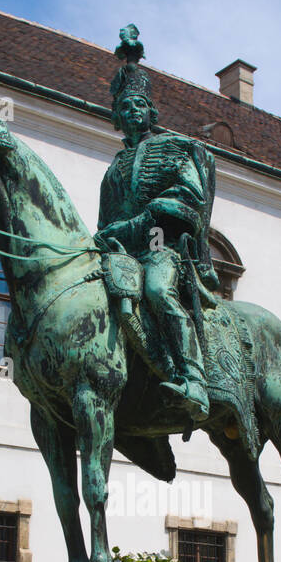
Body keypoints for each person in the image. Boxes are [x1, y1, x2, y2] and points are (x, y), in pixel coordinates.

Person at [94, 25, 219, 422]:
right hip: (120, 254)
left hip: (160, 248)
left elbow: (190, 200)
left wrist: (142, 221)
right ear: (116, 115)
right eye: (124, 106)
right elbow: (105, 222)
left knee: (157, 289)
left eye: (138, 105)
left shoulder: (173, 149)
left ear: (151, 112)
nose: (131, 112)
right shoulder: (113, 169)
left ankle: (193, 378)